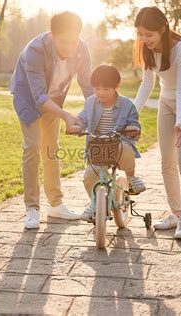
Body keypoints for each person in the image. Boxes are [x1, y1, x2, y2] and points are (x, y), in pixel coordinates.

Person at [10, 11, 94, 229]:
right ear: (52, 36)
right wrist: (66, 115)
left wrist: (98, 114)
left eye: (73, 41)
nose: (69, 47)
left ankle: (55, 204)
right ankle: (32, 208)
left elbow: (88, 86)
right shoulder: (35, 50)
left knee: (51, 148)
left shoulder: (81, 49)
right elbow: (38, 97)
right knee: (32, 147)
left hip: (54, 98)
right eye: (64, 42)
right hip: (29, 98)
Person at [133, 6, 181, 239]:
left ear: (163, 29)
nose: (145, 40)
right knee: (167, 162)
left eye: (149, 35)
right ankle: (175, 214)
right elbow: (147, 84)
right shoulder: (146, 48)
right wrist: (131, 113)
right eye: (141, 34)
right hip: (166, 102)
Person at [67, 64, 146, 221]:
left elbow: (134, 122)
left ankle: (131, 179)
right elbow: (83, 118)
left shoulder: (126, 104)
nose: (101, 93)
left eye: (106, 89)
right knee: (89, 177)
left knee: (125, 147)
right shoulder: (90, 102)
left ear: (116, 87)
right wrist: (77, 126)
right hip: (98, 146)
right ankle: (95, 203)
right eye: (97, 89)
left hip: (117, 144)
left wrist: (133, 128)